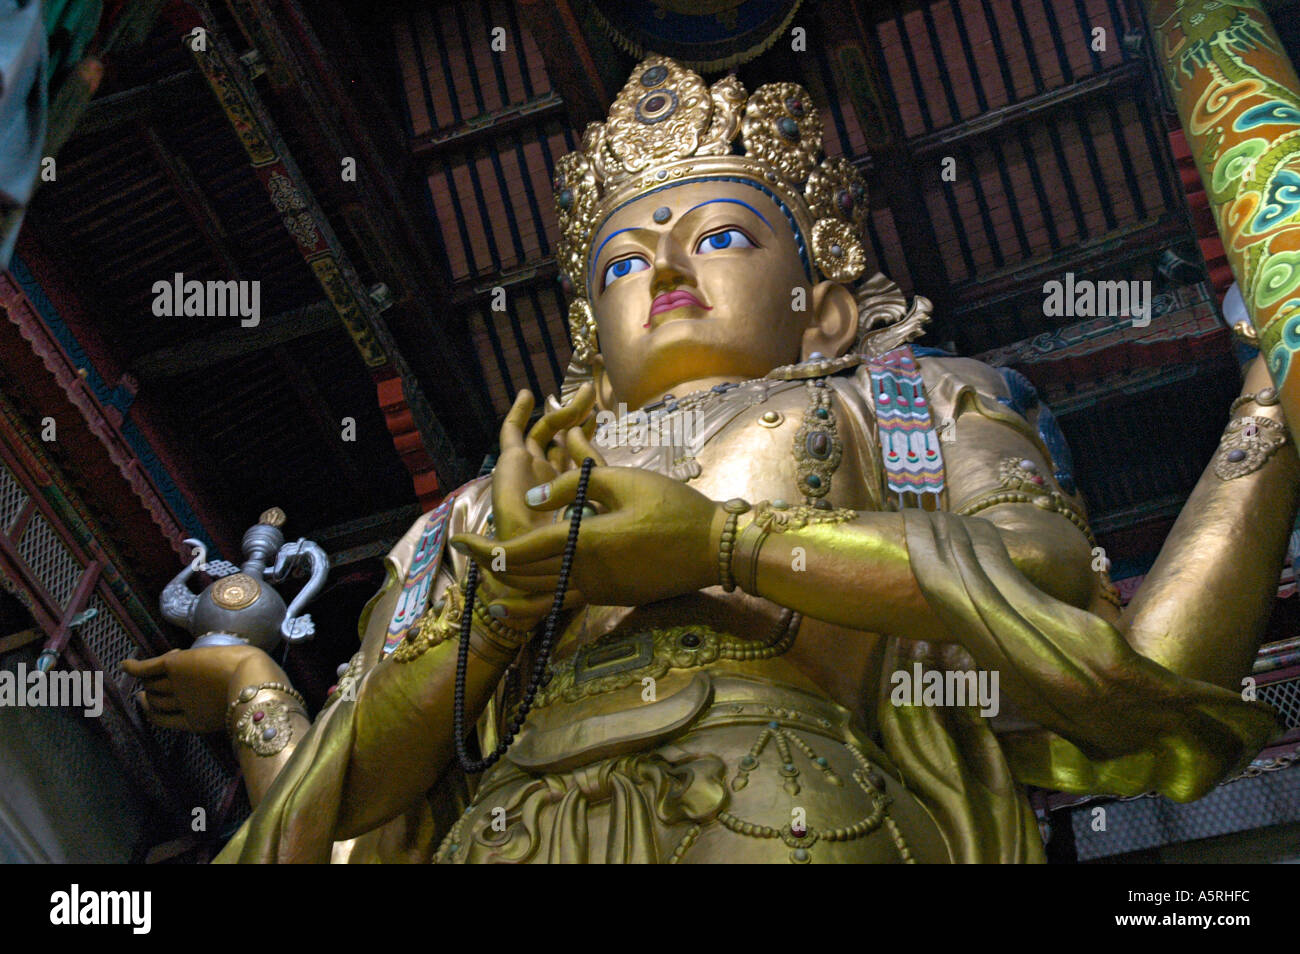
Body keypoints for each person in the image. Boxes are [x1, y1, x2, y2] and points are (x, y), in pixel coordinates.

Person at [126, 56, 1294, 863]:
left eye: (722, 237)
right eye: (623, 263)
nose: (668, 273)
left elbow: (1036, 576)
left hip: (790, 806)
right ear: (590, 341)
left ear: (824, 306)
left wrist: (722, 543)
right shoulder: (479, 503)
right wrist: (298, 676)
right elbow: (344, 814)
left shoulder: (906, 392)